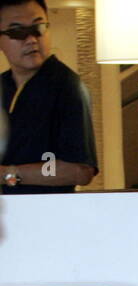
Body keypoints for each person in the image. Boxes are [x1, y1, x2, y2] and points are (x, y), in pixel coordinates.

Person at [1, 0, 98, 194]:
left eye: (38, 27)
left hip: (47, 213)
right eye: (18, 31)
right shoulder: (3, 85)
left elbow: (79, 170)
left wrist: (9, 175)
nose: (31, 39)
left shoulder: (67, 86)